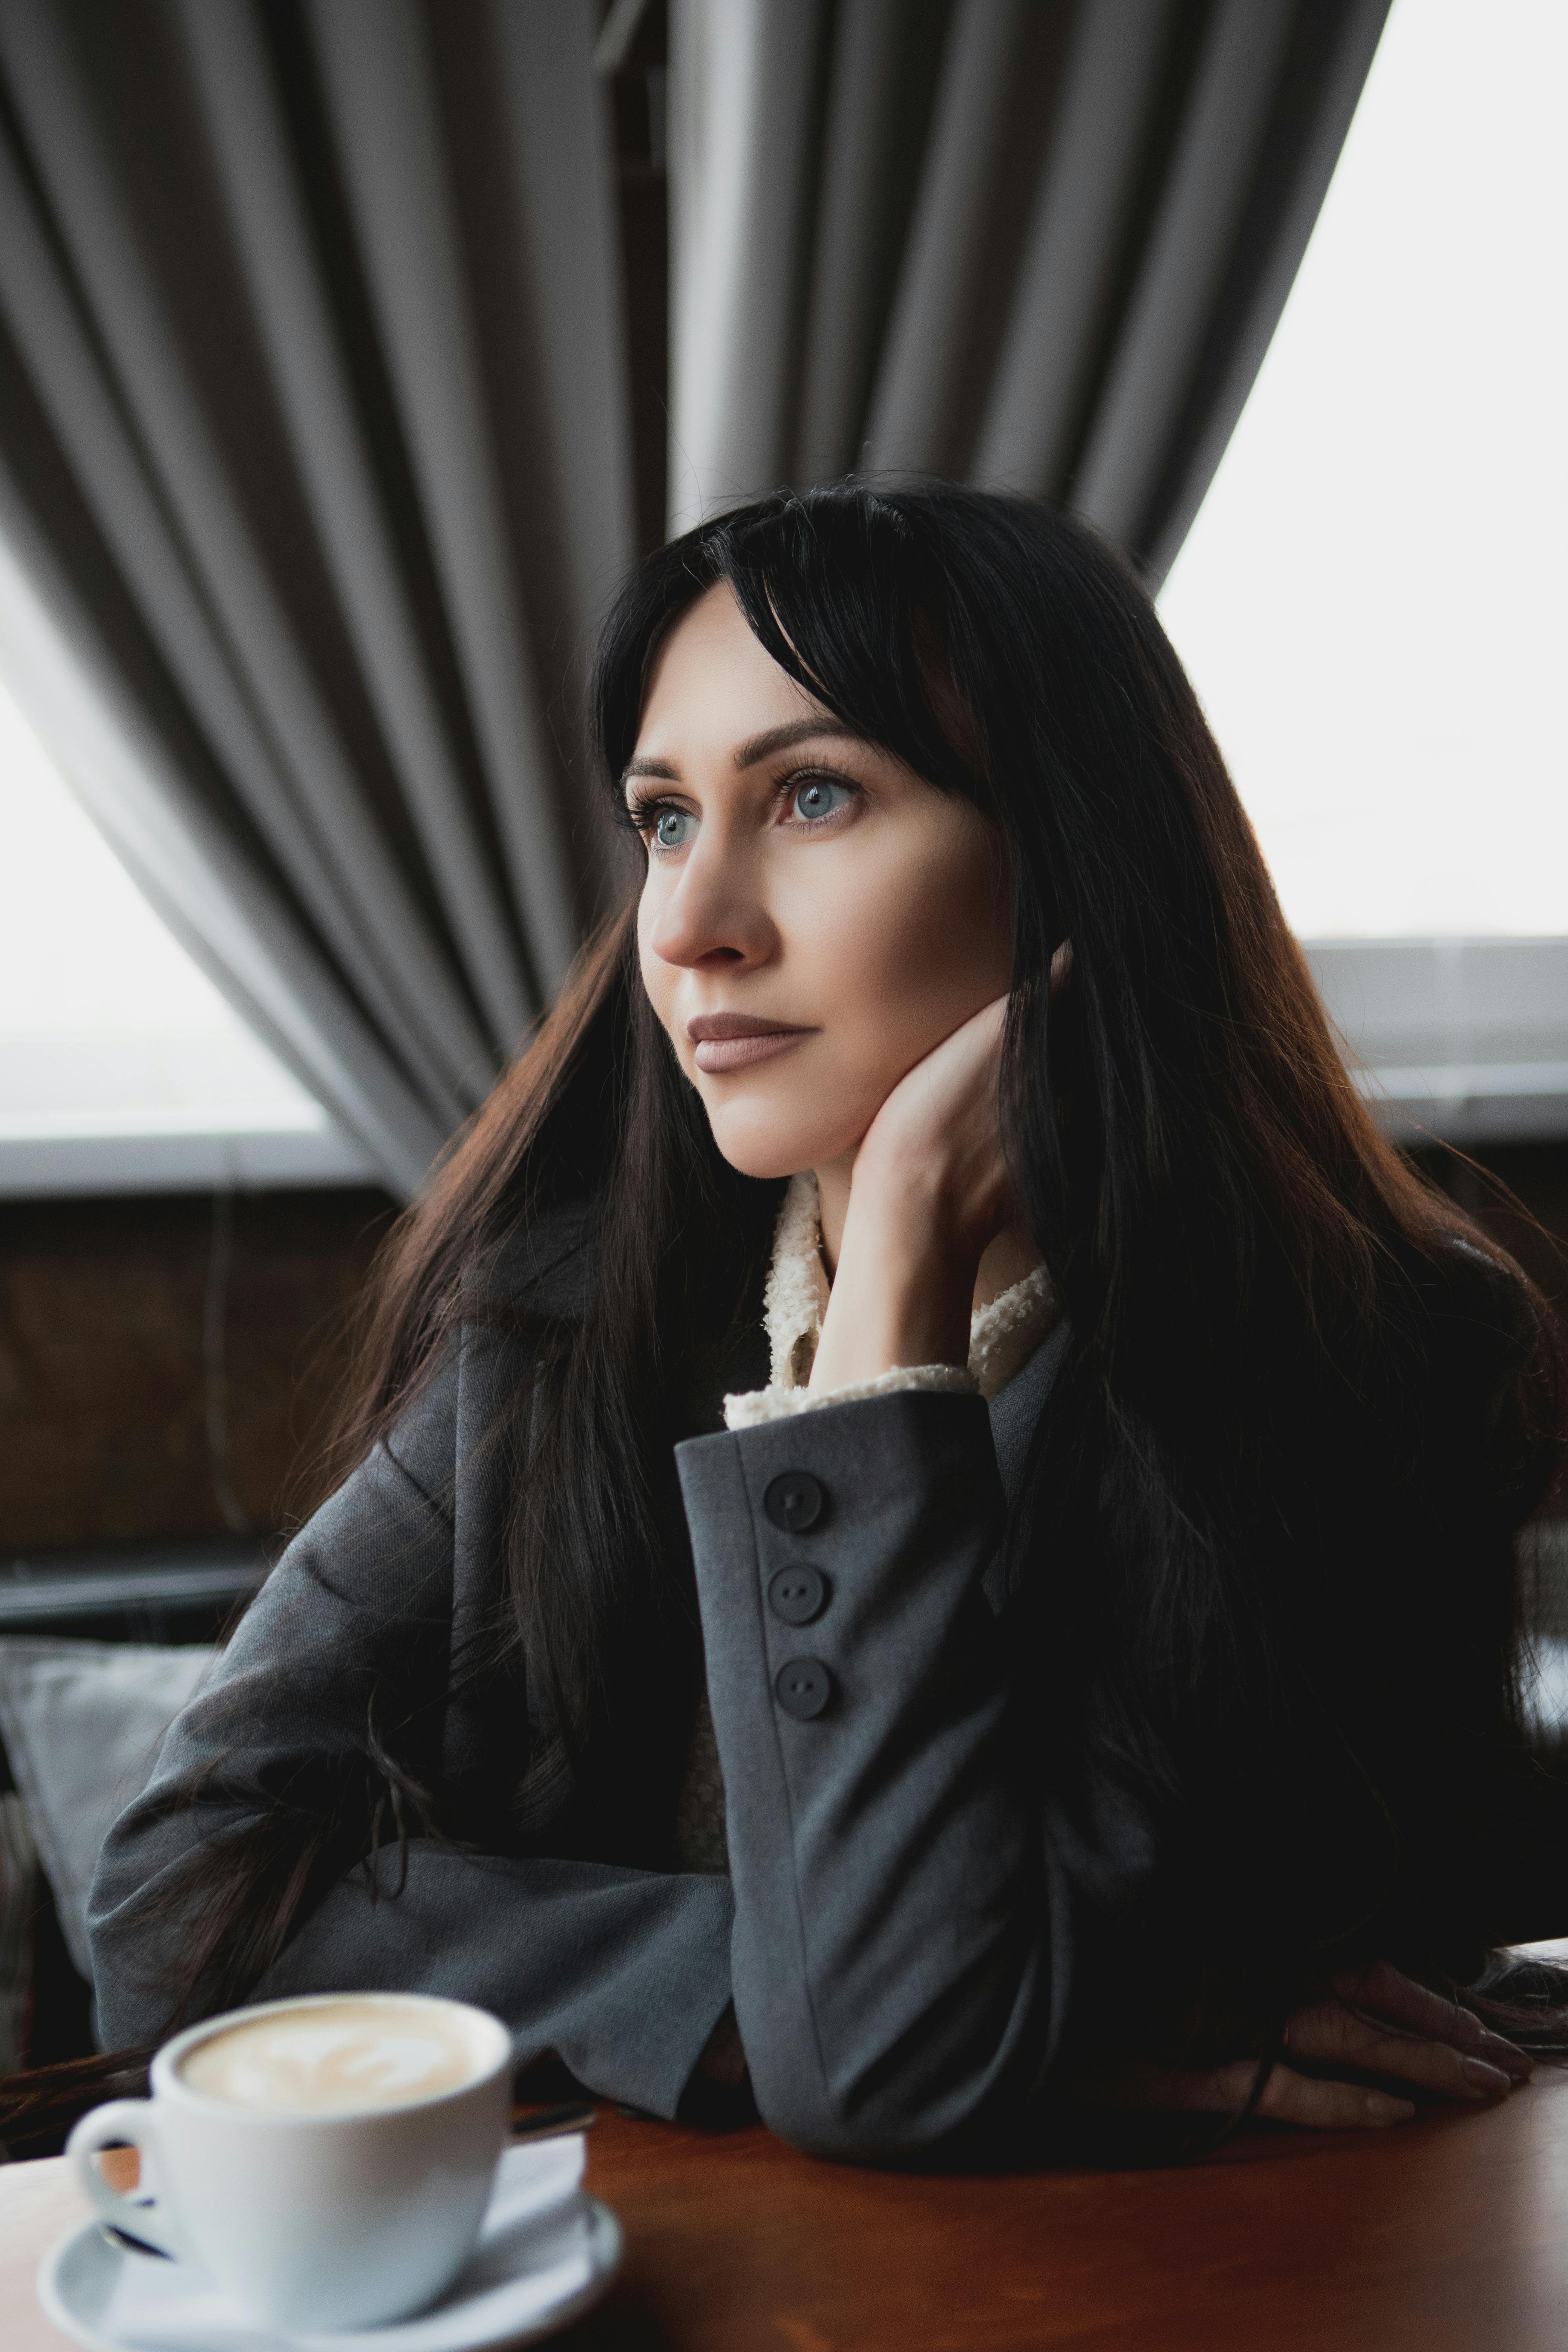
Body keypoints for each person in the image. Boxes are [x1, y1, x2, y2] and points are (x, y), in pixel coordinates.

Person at [82, 483, 1563, 2159]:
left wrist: (905, 1278)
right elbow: (174, 1898)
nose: (691, 922)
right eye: (660, 818)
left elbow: (883, 2059)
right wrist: (856, 2008)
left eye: (809, 795)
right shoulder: (554, 1331)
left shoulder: (1363, 1356)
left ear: (1071, 850)